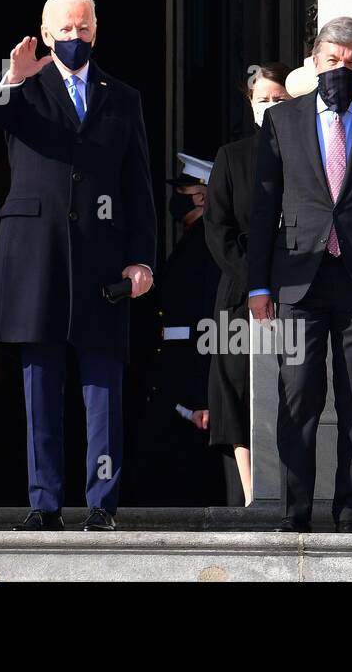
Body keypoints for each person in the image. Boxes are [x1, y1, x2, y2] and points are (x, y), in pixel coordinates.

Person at [0, 0, 158, 532]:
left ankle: (102, 504)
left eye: (81, 28)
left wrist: (141, 258)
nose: (73, 37)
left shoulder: (122, 97)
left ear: (95, 31)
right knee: (41, 387)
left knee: (103, 389)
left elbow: (138, 186)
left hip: (102, 262)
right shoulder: (24, 89)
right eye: (63, 29)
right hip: (37, 257)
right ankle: (44, 502)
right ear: (45, 31)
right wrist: (12, 76)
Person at [247, 17, 352, 533]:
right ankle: (295, 515)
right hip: (298, 280)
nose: (342, 69)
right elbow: (263, 204)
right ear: (314, 63)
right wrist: (258, 283)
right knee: (298, 400)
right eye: (333, 60)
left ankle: (350, 518)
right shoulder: (283, 120)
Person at [203, 62, 292, 505]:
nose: (272, 107)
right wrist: (256, 280)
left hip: (297, 291)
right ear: (250, 104)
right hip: (241, 294)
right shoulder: (232, 156)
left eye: (280, 100)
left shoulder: (307, 152)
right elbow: (216, 227)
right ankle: (251, 492)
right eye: (264, 100)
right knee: (236, 389)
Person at [131, 164, 221, 505]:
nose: (176, 202)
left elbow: (208, 319)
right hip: (172, 373)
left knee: (191, 473)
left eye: (183, 194)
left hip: (189, 376)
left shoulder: (210, 244)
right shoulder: (192, 241)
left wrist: (202, 396)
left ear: (200, 197)